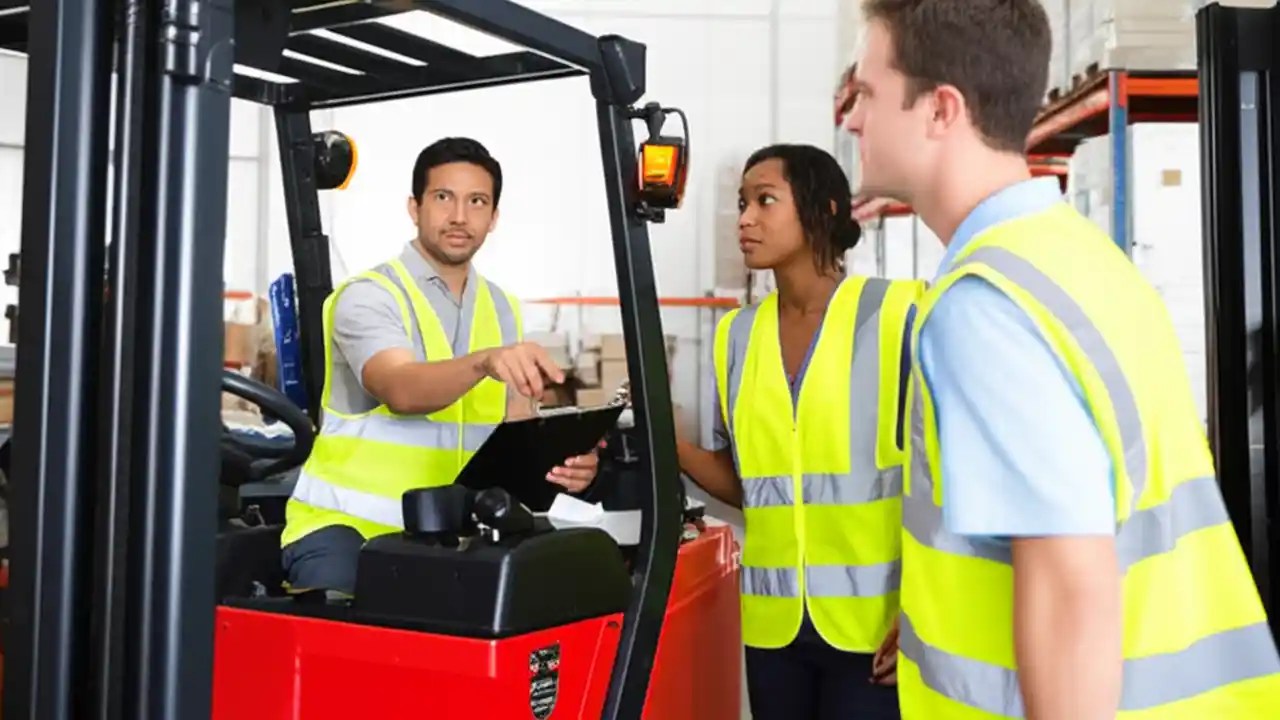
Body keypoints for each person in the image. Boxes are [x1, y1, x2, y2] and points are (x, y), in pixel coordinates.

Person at [843, 1, 1280, 718]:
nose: (854, 120)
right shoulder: (1079, 259)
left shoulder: (985, 305)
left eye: (866, 94)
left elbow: (1071, 589)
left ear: (941, 111)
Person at [280, 137, 600, 594]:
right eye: (443, 197)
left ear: (494, 218)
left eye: (477, 202)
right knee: (352, 639)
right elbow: (400, 389)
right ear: (414, 207)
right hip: (349, 531)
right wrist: (484, 361)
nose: (459, 216)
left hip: (457, 532)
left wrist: (559, 466)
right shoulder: (369, 296)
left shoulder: (503, 308)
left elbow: (516, 430)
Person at [677, 143, 923, 719]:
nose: (744, 218)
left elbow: (942, 480)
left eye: (765, 201)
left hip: (874, 631)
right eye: (742, 203)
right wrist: (675, 448)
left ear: (825, 210)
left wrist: (923, 610)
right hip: (773, 630)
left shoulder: (898, 315)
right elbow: (753, 487)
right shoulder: (735, 337)